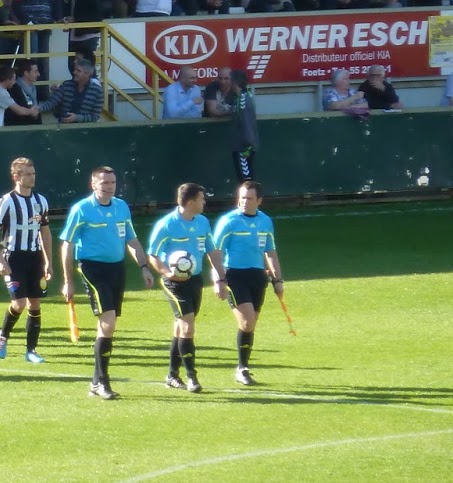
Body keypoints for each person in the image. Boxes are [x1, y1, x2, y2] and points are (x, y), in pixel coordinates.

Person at [58, 166, 156, 400]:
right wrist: (68, 281)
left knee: (108, 326)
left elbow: (131, 239)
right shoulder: (82, 210)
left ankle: (95, 381)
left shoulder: (121, 207)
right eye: (104, 183)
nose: (109, 187)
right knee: (108, 322)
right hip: (92, 269)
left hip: (117, 269)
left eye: (112, 182)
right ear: (94, 184)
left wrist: (144, 267)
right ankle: (103, 383)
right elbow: (67, 245)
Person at [148, 183, 222, 393]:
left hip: (195, 280)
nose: (204, 202)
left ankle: (172, 375)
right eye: (201, 199)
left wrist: (221, 278)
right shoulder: (167, 224)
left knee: (181, 328)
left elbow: (212, 250)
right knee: (188, 325)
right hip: (174, 283)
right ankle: (192, 377)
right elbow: (153, 254)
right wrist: (167, 273)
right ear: (190, 202)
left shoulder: (203, 223)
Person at [212, 180, 285, 386]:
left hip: (258, 277)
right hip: (234, 276)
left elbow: (270, 251)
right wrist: (218, 279)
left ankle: (243, 366)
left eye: (249, 198)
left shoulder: (265, 222)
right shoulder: (229, 221)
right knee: (247, 322)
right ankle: (242, 368)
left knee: (251, 325)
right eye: (242, 197)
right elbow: (216, 252)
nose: (244, 202)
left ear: (259, 201)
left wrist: (277, 279)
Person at [0, 156, 52, 364]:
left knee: (35, 303)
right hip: (13, 257)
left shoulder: (41, 201)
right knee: (19, 302)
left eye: (33, 174)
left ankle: (31, 350)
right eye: (27, 174)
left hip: (35, 257)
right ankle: (3, 336)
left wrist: (48, 260)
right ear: (16, 176)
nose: (32, 178)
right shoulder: (6, 202)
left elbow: (45, 232)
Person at [44, 57, 104, 124]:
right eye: (75, 69)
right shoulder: (66, 85)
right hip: (64, 127)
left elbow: (95, 117)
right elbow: (52, 102)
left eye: (78, 71)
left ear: (87, 74)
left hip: (85, 129)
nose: (74, 72)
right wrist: (37, 109)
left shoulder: (97, 92)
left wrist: (76, 118)